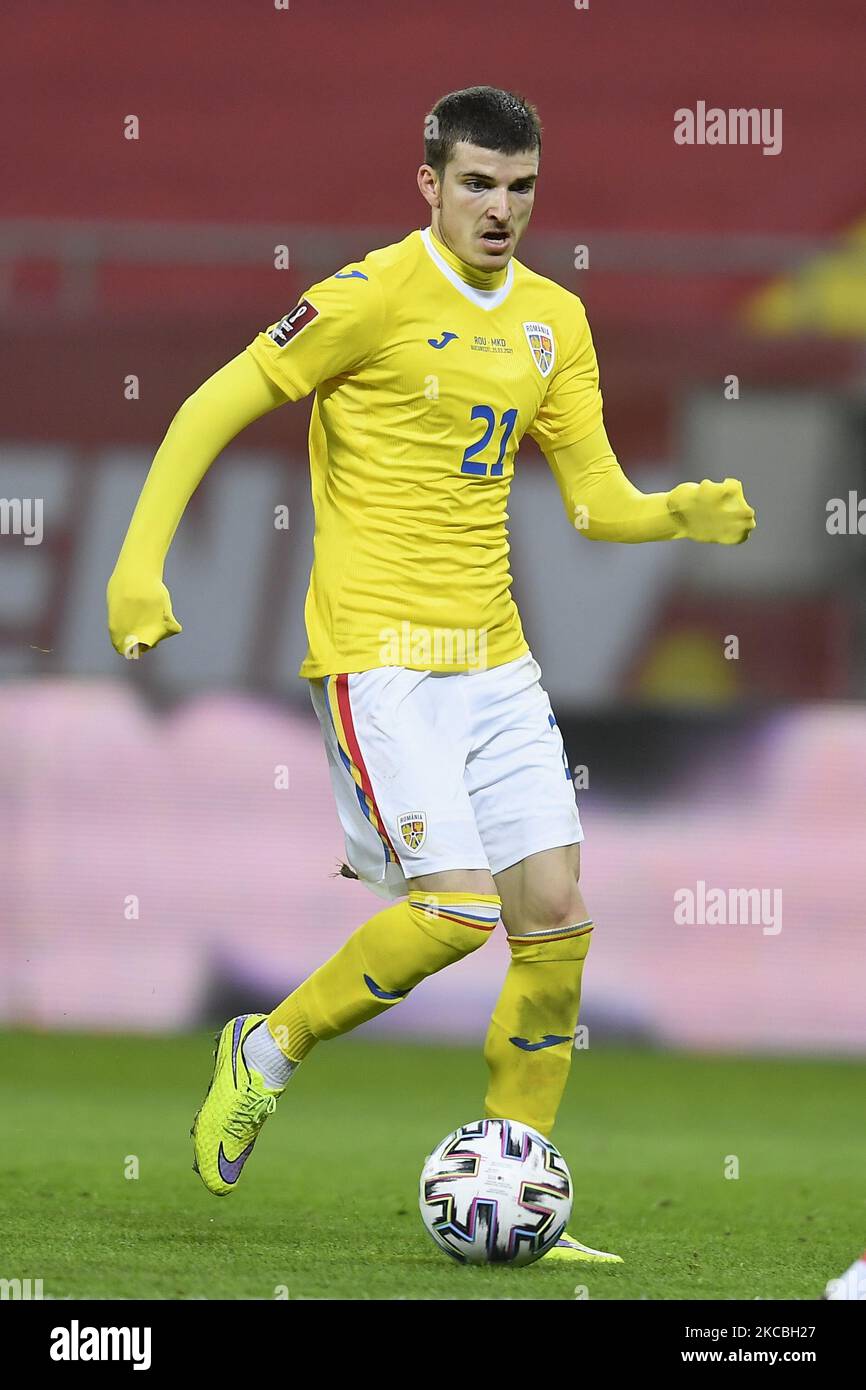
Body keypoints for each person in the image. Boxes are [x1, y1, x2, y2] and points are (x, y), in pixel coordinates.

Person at [107, 85, 756, 1263]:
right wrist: (139, 567)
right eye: (475, 184)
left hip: (497, 663)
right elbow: (212, 402)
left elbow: (594, 501)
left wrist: (673, 513)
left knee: (553, 923)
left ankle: (520, 1185)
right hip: (380, 660)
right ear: (428, 183)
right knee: (454, 911)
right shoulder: (366, 297)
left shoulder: (554, 318)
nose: (497, 209)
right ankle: (269, 1045)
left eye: (517, 188)